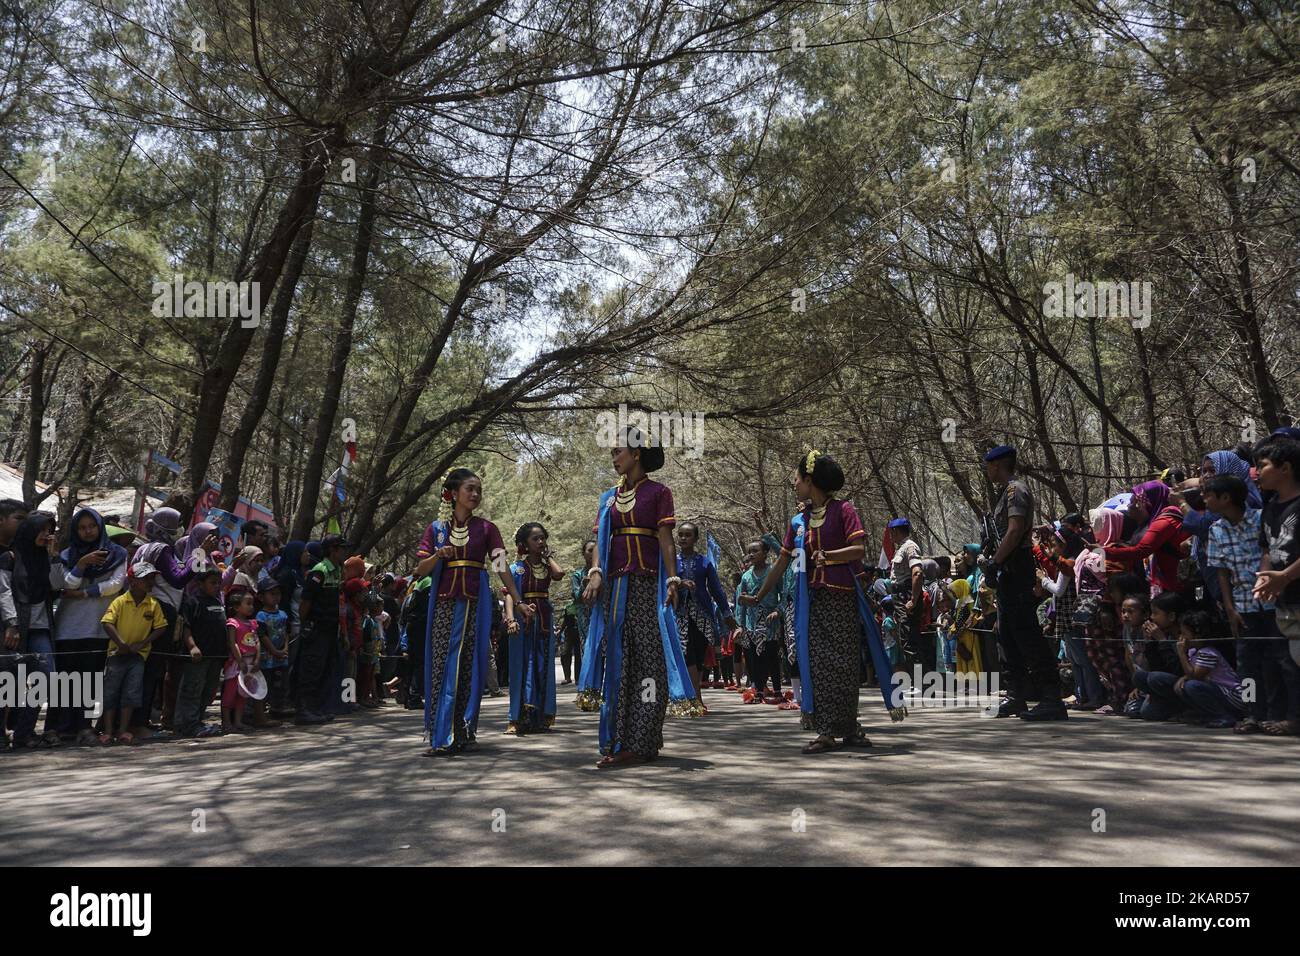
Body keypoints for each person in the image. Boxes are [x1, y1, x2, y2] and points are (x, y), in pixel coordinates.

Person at [741, 451, 903, 753]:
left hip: (841, 599)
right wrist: (759, 596)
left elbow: (857, 549)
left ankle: (849, 726)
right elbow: (782, 563)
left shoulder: (844, 510)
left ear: (811, 481)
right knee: (815, 664)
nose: (794, 485)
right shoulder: (798, 521)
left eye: (797, 480)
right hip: (809, 602)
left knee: (842, 664)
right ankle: (827, 731)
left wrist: (828, 557)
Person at [578, 429, 697, 768]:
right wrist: (596, 572)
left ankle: (644, 738)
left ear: (637, 453)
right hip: (615, 589)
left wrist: (672, 578)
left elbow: (666, 539)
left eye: (618, 451)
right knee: (618, 661)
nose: (614, 458)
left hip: (647, 586)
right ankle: (619, 738)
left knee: (648, 662)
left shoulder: (659, 493)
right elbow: (601, 542)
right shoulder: (607, 499)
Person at [412, 467, 533, 756]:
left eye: (478, 489)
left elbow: (501, 567)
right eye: (470, 489)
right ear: (453, 494)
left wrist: (517, 601)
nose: (476, 494)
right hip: (444, 603)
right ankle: (441, 734)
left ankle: (464, 731)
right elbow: (419, 569)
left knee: (471, 663)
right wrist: (437, 555)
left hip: (476, 604)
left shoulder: (487, 529)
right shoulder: (437, 529)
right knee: (442, 665)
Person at [981, 445, 1066, 720]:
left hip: (1017, 566)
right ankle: (1016, 695)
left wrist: (996, 561)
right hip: (1008, 568)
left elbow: (1016, 530)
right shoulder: (1004, 492)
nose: (988, 470)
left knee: (1026, 633)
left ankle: (1052, 697)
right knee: (1007, 635)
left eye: (989, 465)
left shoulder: (1015, 490)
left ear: (998, 465)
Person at [49, 507, 129, 743]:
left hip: (98, 627)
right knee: (63, 680)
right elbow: (66, 585)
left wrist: (86, 593)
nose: (87, 531)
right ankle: (57, 728)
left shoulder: (117, 554)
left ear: (99, 527)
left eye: (91, 526)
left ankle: (84, 727)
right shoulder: (68, 555)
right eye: (82, 528)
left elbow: (116, 584)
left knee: (90, 679)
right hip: (67, 627)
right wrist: (82, 564)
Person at [0, 513, 61, 749]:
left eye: (49, 531)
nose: (46, 535)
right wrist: (12, 624)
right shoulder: (10, 557)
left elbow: (58, 585)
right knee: (8, 683)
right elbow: (3, 592)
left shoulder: (46, 559)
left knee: (46, 677)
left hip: (41, 628)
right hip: (15, 627)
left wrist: (54, 556)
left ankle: (24, 732)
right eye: (42, 530)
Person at [1252, 439, 1300, 721]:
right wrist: (1265, 577)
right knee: (1291, 661)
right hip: (1286, 602)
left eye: (1263, 465)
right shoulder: (1269, 508)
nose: (1257, 472)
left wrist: (1284, 576)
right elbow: (1268, 549)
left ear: (1285, 468)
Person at [505, 522, 564, 734]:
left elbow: (559, 574)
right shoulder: (516, 568)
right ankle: (518, 718)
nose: (541, 542)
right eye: (535, 539)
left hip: (545, 621)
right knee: (523, 666)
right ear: (524, 544)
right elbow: (510, 595)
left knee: (542, 666)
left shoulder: (547, 568)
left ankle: (540, 717)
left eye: (543, 538)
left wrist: (548, 557)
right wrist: (511, 619)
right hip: (523, 621)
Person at [99, 562, 167, 745]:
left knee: (131, 693)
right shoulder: (120, 601)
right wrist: (120, 643)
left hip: (138, 656)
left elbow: (160, 627)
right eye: (146, 579)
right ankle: (107, 730)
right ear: (133, 581)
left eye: (151, 578)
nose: (150, 582)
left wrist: (143, 643)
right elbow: (107, 622)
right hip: (116, 655)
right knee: (111, 692)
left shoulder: (153, 604)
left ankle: (123, 730)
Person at [674, 522, 735, 708]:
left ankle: (693, 694)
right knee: (687, 653)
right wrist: (679, 582)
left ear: (696, 538)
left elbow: (716, 589)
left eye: (688, 535)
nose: (683, 538)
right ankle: (694, 697)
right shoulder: (672, 561)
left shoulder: (705, 562)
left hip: (702, 615)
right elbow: (663, 583)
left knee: (698, 655)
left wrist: (726, 613)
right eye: (681, 535)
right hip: (680, 614)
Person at [295, 534, 346, 725]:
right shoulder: (320, 571)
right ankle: (303, 710)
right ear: (333, 549)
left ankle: (316, 708)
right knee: (311, 669)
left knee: (324, 669)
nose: (344, 552)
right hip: (316, 629)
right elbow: (306, 601)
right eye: (341, 548)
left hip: (330, 629)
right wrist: (306, 624)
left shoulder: (337, 571)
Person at [1106, 480, 1190, 596]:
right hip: (1166, 586)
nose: (1130, 506)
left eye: (1134, 501)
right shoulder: (1151, 523)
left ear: (1146, 503)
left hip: (1174, 587)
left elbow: (1140, 551)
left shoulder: (1165, 521)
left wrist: (1103, 552)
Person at [173, 568, 227, 738]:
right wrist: (192, 647)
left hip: (216, 656)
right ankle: (186, 724)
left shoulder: (218, 602)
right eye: (212, 582)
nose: (217, 586)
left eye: (219, 583)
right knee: (192, 689)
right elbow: (186, 627)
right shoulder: (192, 602)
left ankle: (198, 721)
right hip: (198, 657)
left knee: (209, 690)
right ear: (200, 583)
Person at [737, 538, 784, 702]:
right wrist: (740, 625)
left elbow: (784, 595)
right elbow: (740, 602)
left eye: (755, 551)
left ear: (765, 553)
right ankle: (758, 690)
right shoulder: (745, 577)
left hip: (770, 621)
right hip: (751, 622)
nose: (751, 554)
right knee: (753, 658)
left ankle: (777, 690)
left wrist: (778, 611)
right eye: (749, 551)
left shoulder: (774, 572)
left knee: (771, 655)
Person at [887, 517, 925, 675]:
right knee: (906, 639)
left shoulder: (910, 547)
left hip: (906, 596)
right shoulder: (901, 547)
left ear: (896, 531)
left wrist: (913, 600)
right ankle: (919, 680)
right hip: (900, 597)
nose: (890, 536)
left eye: (891, 532)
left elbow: (917, 572)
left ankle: (921, 682)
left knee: (910, 639)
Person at [223, 589, 261, 734]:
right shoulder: (233, 623)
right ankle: (226, 722)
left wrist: (257, 659)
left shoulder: (252, 623)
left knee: (243, 694)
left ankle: (238, 722)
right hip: (237, 663)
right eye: (248, 603)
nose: (251, 607)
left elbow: (256, 641)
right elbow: (233, 643)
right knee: (230, 693)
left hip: (250, 663)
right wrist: (240, 661)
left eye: (252, 604)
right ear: (237, 607)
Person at [256, 579, 291, 719]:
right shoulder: (261, 616)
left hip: (282, 656)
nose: (276, 596)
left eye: (278, 593)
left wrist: (285, 649)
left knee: (281, 683)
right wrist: (274, 651)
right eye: (272, 594)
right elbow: (262, 635)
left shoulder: (283, 614)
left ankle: (278, 707)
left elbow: (287, 633)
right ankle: (261, 710)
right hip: (267, 657)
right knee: (266, 683)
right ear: (261, 597)